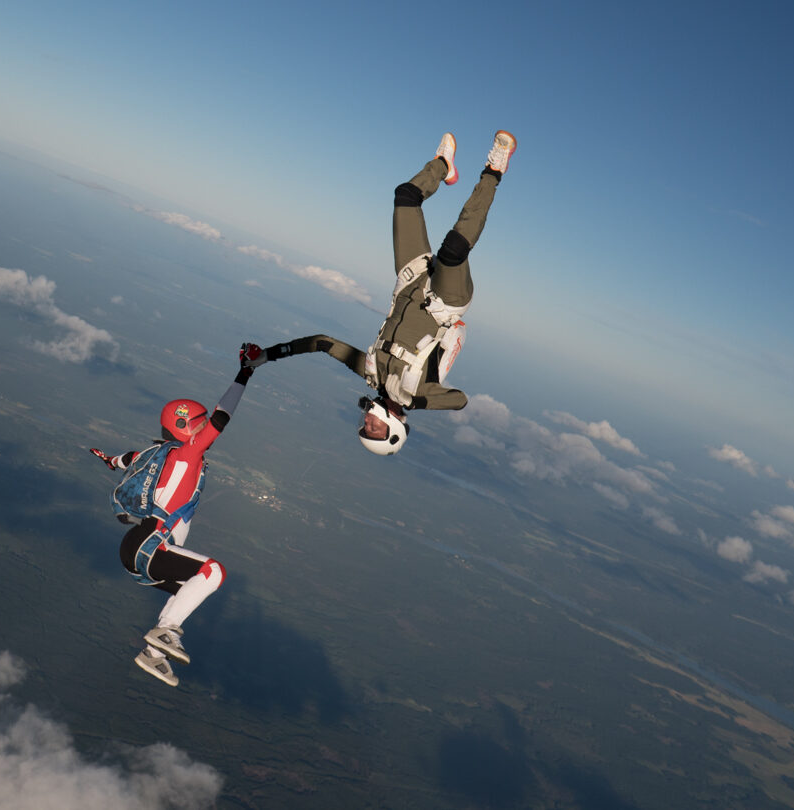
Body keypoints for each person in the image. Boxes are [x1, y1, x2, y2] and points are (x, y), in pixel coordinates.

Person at [252, 130, 516, 455]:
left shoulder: (372, 372)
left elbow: (324, 343)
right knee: (454, 248)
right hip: (445, 302)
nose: (367, 422)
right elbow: (459, 401)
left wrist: (268, 355)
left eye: (364, 427)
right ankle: (494, 171)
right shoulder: (414, 391)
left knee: (405, 196)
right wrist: (414, 400)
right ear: (394, 431)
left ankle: (442, 166)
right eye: (373, 430)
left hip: (410, 282)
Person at [88, 343, 265, 686]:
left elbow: (130, 457)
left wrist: (111, 461)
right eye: (197, 427)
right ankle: (165, 633)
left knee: (192, 588)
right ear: (186, 428)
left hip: (137, 548)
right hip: (151, 545)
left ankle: (154, 653)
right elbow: (222, 416)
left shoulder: (159, 453)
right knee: (213, 572)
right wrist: (246, 371)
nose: (204, 433)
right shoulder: (188, 454)